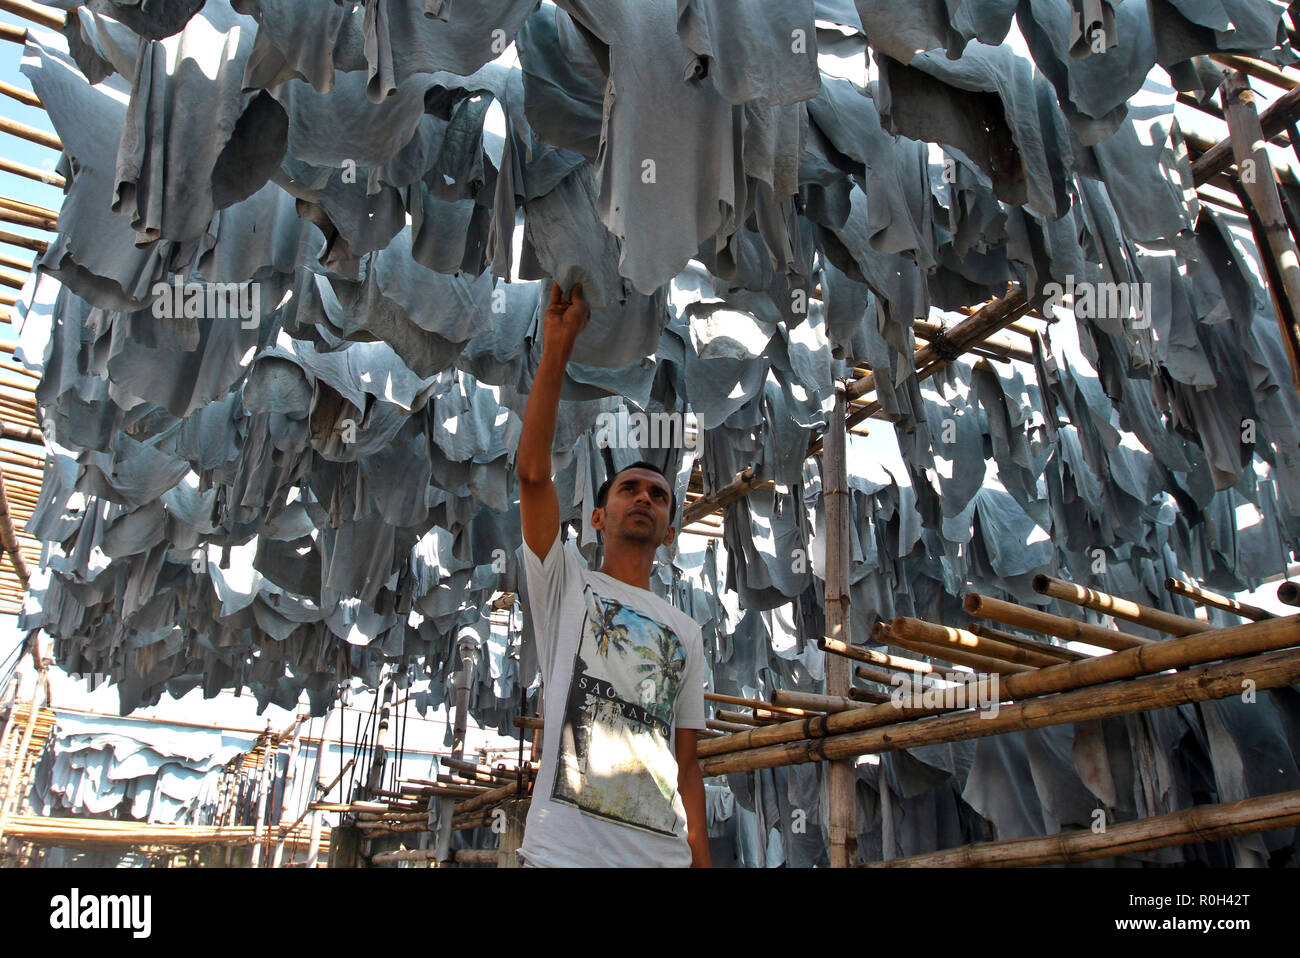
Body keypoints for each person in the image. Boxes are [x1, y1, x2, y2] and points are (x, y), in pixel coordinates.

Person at [514, 280, 711, 867]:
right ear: (598, 516)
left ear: (671, 531)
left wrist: (701, 861)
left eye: (658, 494)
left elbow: (688, 761)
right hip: (561, 856)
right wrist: (558, 347)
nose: (644, 498)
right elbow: (531, 476)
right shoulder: (565, 584)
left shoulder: (686, 632)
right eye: (629, 489)